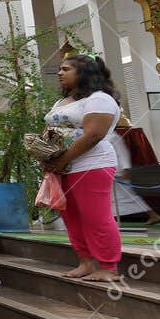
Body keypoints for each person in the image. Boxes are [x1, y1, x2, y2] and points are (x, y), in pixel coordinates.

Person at [44, 54, 123, 282]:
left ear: (84, 73)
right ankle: (86, 262)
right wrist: (46, 157)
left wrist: (63, 159)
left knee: (96, 216)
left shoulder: (99, 99)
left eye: (66, 69)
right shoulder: (63, 101)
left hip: (91, 164)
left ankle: (109, 266)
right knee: (72, 217)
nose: (59, 73)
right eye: (59, 69)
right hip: (63, 167)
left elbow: (94, 135)